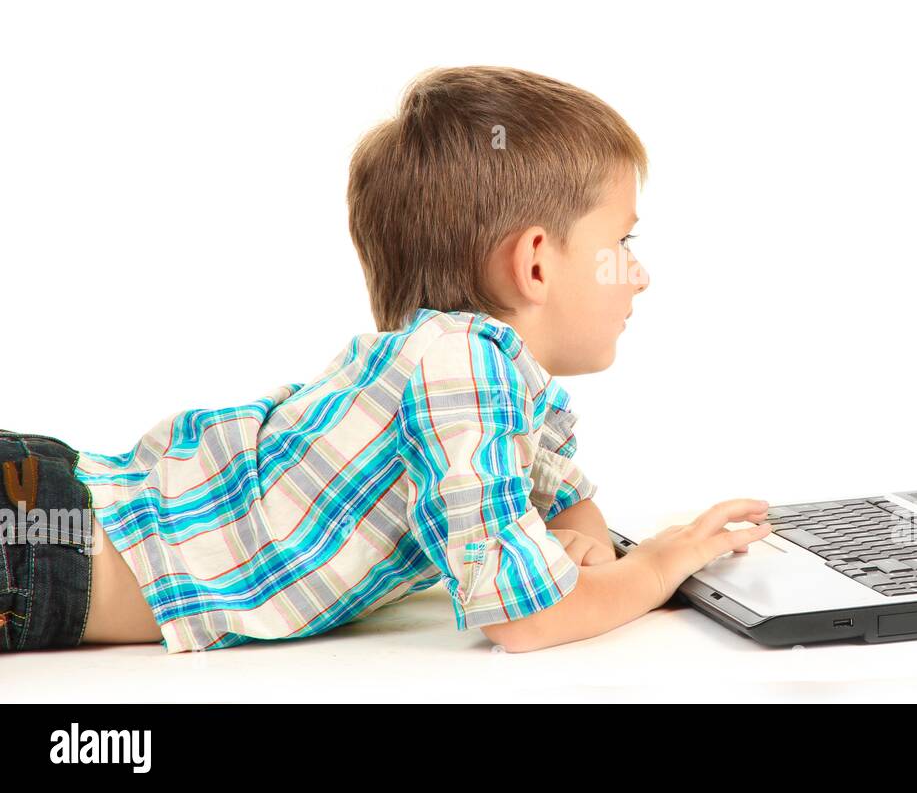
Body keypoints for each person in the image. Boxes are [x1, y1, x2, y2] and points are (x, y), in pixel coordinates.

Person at [0, 66, 771, 654]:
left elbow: (566, 505)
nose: (639, 272)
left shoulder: (485, 376)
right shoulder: (465, 368)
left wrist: (587, 546)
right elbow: (525, 619)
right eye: (622, 243)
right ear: (535, 264)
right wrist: (660, 565)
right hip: (38, 540)